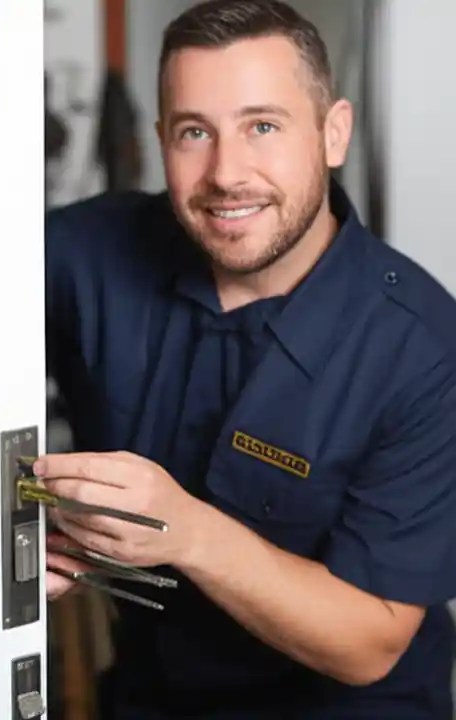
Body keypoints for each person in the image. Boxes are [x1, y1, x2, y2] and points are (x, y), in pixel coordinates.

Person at [40, 1, 456, 717]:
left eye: (262, 126)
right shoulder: (84, 256)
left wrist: (191, 532)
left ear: (333, 134)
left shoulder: (420, 347)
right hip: (149, 699)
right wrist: (35, 521)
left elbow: (371, 642)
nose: (227, 173)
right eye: (194, 132)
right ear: (161, 139)